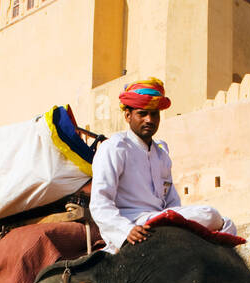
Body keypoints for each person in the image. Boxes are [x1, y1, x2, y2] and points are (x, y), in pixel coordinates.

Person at [90, 76, 237, 252]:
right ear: (128, 116)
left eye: (154, 114)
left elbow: (173, 203)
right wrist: (125, 230)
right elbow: (100, 204)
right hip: (134, 221)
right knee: (210, 215)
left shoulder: (161, 154)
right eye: (142, 114)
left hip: (162, 220)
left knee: (228, 224)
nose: (149, 120)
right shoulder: (114, 148)